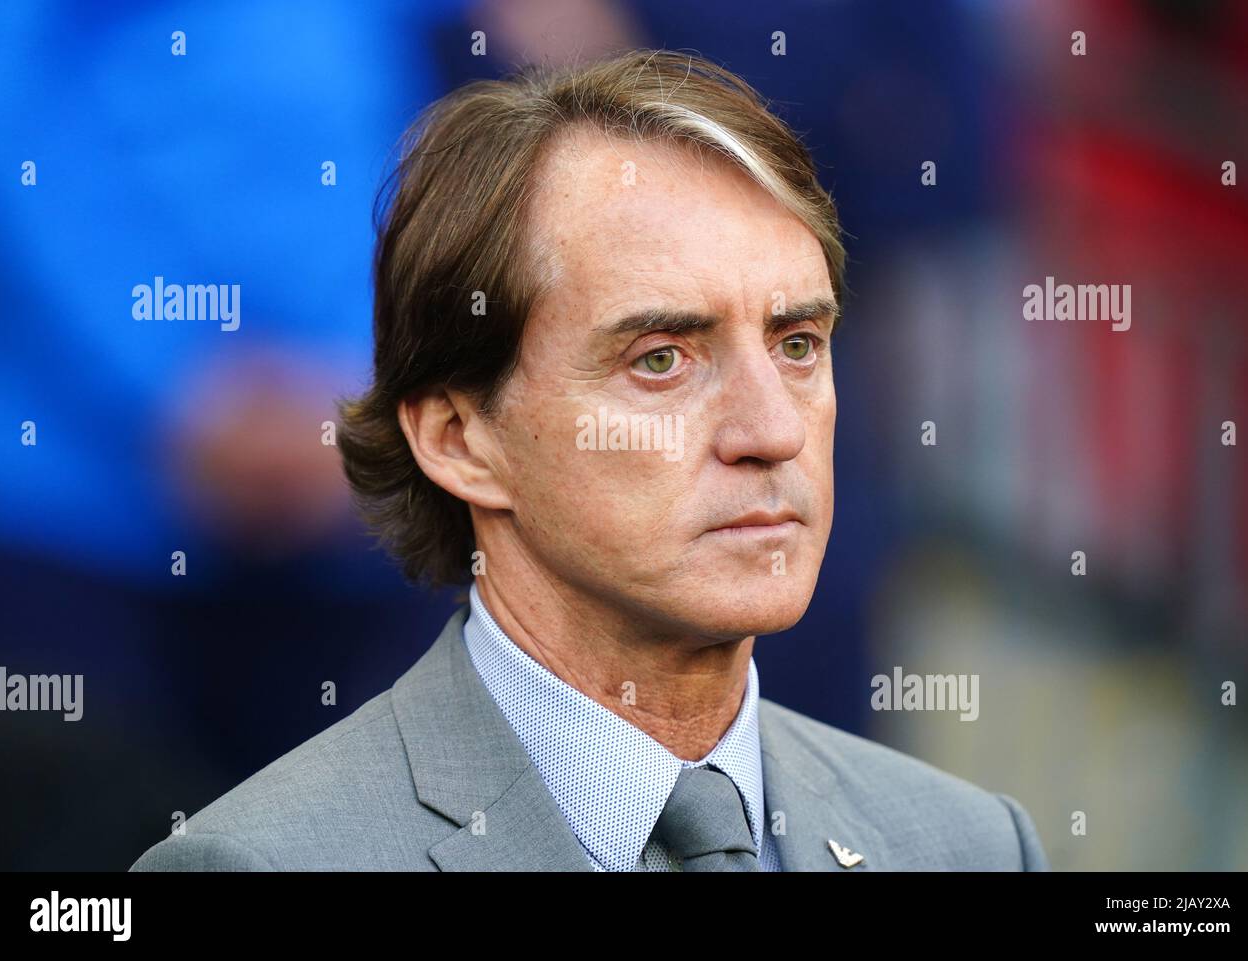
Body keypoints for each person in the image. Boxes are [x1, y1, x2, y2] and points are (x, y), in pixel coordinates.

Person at [131, 49, 1049, 872]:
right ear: (460, 440)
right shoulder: (260, 865)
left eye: (798, 343)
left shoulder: (972, 846)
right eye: (661, 360)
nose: (773, 430)